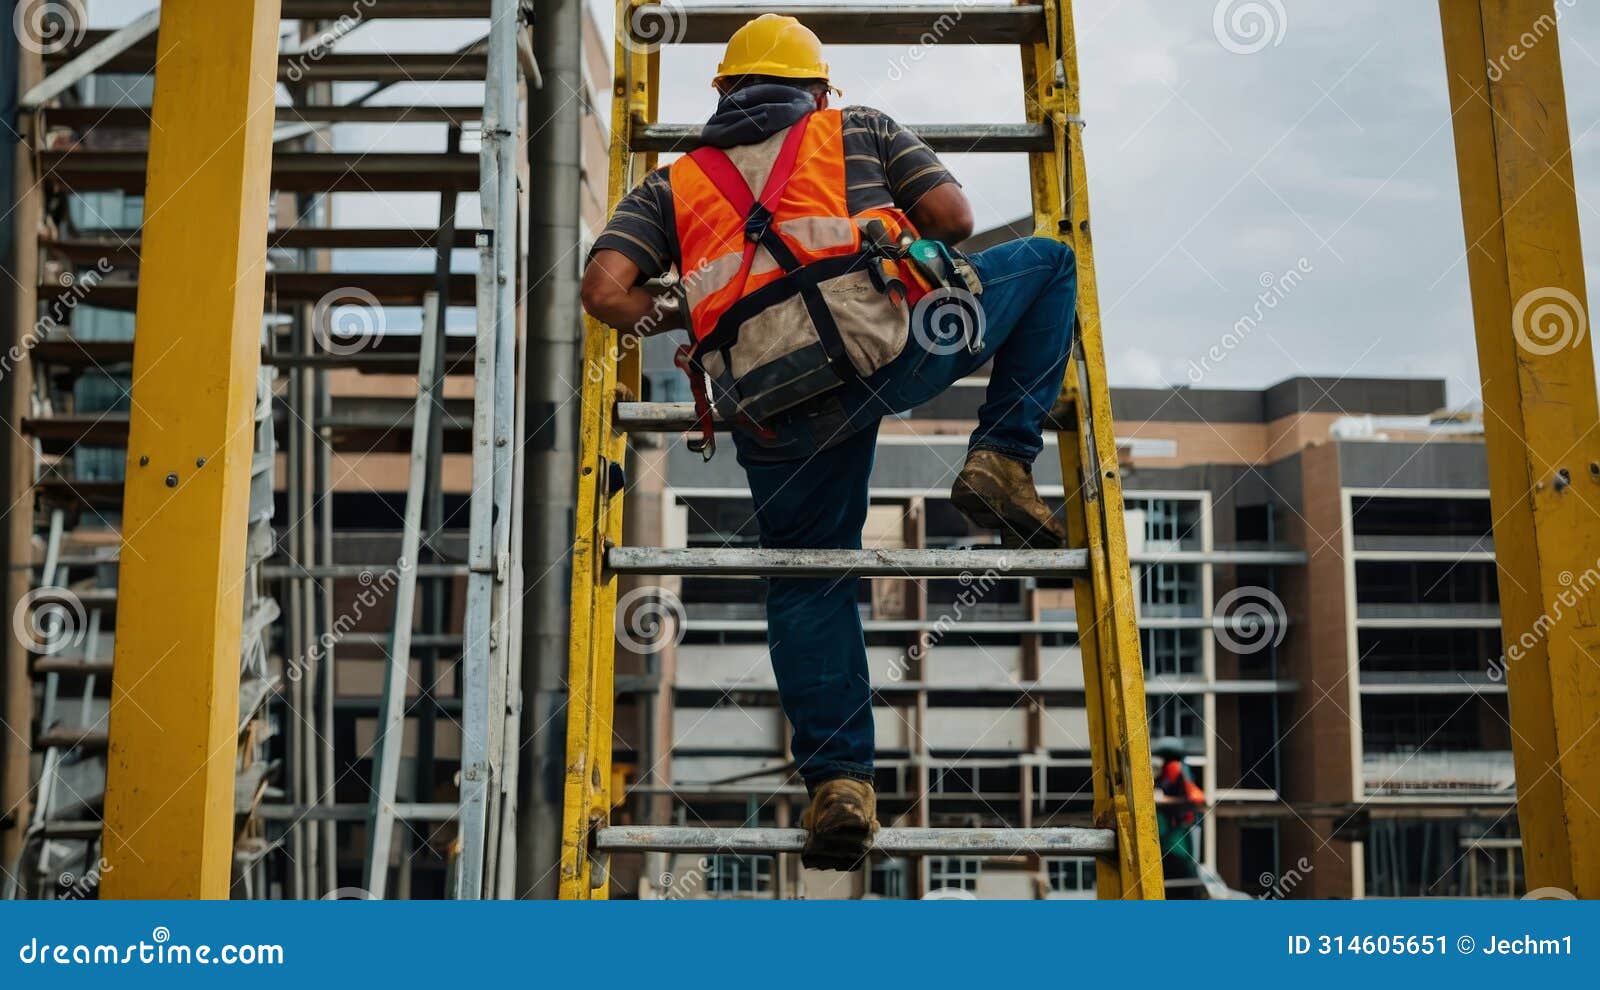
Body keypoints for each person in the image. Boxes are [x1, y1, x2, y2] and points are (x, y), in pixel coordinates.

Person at [581, 14, 1079, 870]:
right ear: (815, 89)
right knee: (1048, 266)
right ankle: (1002, 456)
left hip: (776, 411)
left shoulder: (668, 188)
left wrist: (680, 310)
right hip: (889, 352)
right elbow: (954, 218)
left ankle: (840, 784)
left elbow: (602, 290)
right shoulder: (858, 127)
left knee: (809, 582)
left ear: (725, 92)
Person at [1151, 736, 1206, 888]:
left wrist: (1163, 801)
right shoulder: (1172, 769)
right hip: (1172, 832)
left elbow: (1193, 799)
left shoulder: (1175, 768)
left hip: (1175, 832)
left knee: (1178, 870)